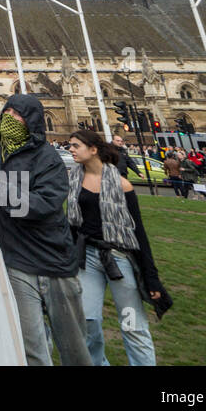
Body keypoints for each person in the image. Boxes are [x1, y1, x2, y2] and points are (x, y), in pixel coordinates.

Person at [0, 91, 91, 366]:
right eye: (8, 113)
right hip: (17, 263)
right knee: (32, 347)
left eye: (18, 115)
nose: (10, 118)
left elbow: (42, 205)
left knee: (74, 349)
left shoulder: (48, 159)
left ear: (32, 122)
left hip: (53, 263)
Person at [65, 129, 167, 366]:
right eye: (70, 145)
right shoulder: (73, 179)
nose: (70, 150)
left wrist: (151, 278)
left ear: (93, 149)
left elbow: (138, 233)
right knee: (88, 321)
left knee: (132, 325)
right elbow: (70, 224)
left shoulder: (122, 185)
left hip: (119, 258)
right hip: (88, 257)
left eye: (75, 145)